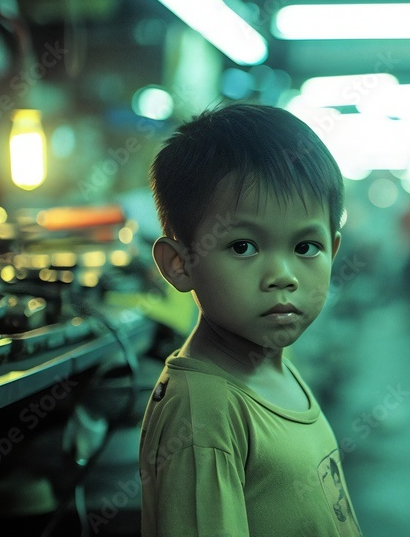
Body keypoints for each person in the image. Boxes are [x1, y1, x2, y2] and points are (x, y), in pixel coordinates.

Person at [139, 103, 363, 536]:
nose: (282, 275)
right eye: (243, 247)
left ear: (333, 250)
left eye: (305, 248)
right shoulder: (206, 414)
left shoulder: (274, 366)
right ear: (180, 263)